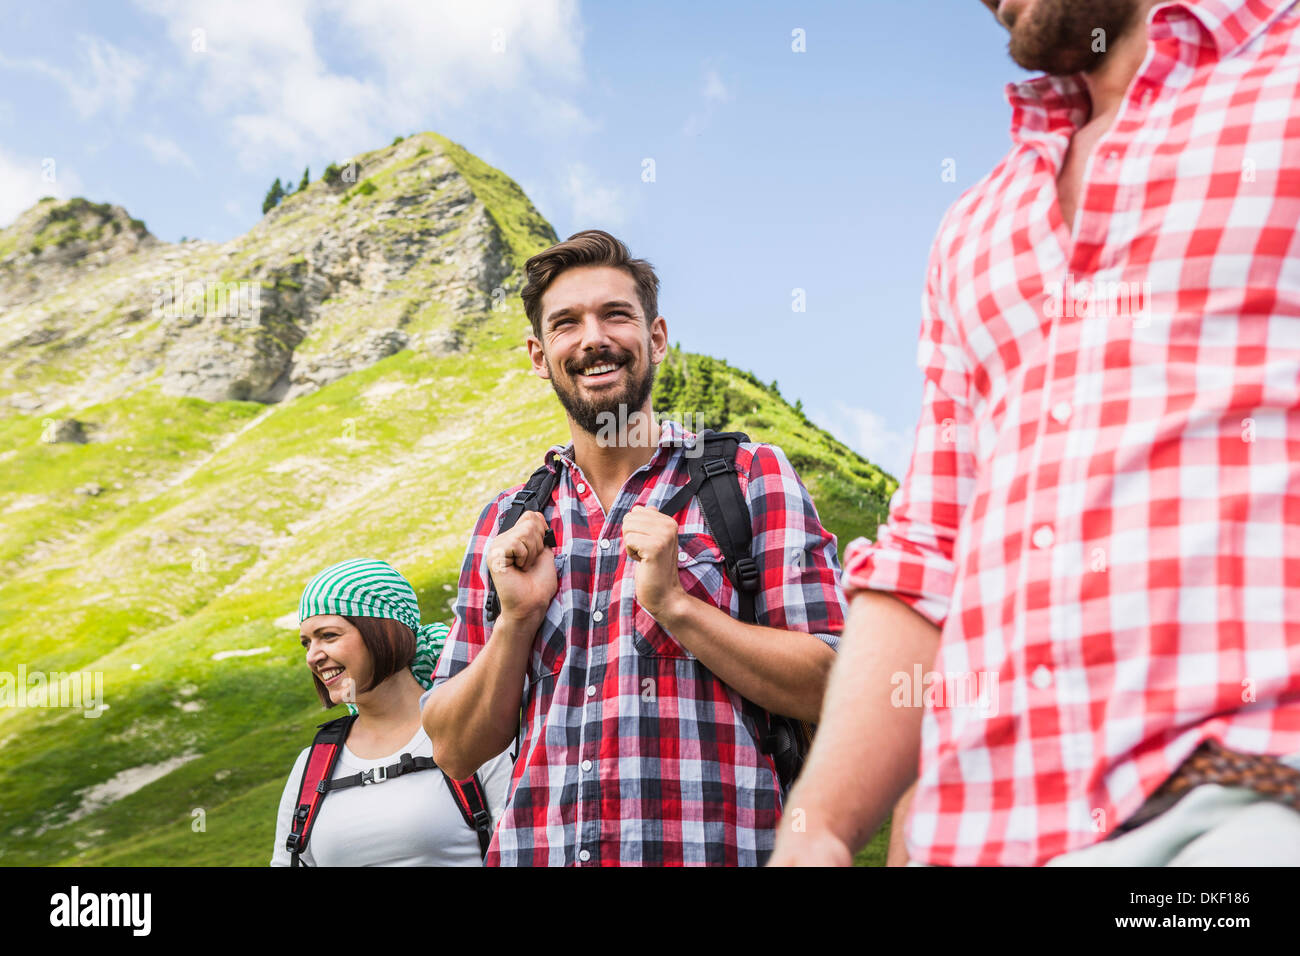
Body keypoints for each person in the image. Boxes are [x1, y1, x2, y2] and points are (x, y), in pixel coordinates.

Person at [771, 0, 1300, 868]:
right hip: (989, 842)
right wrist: (819, 827)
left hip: (1251, 808)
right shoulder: (977, 229)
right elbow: (931, 551)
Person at [421, 229, 848, 865]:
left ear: (655, 338)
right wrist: (515, 622)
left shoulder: (750, 477)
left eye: (615, 314)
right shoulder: (506, 521)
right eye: (566, 323)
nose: (593, 337)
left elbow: (833, 683)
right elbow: (453, 747)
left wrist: (678, 606)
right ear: (540, 356)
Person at [270, 558, 512, 866]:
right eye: (307, 643)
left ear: (383, 630)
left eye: (328, 635)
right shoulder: (312, 765)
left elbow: (524, 847)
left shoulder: (475, 734)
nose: (313, 656)